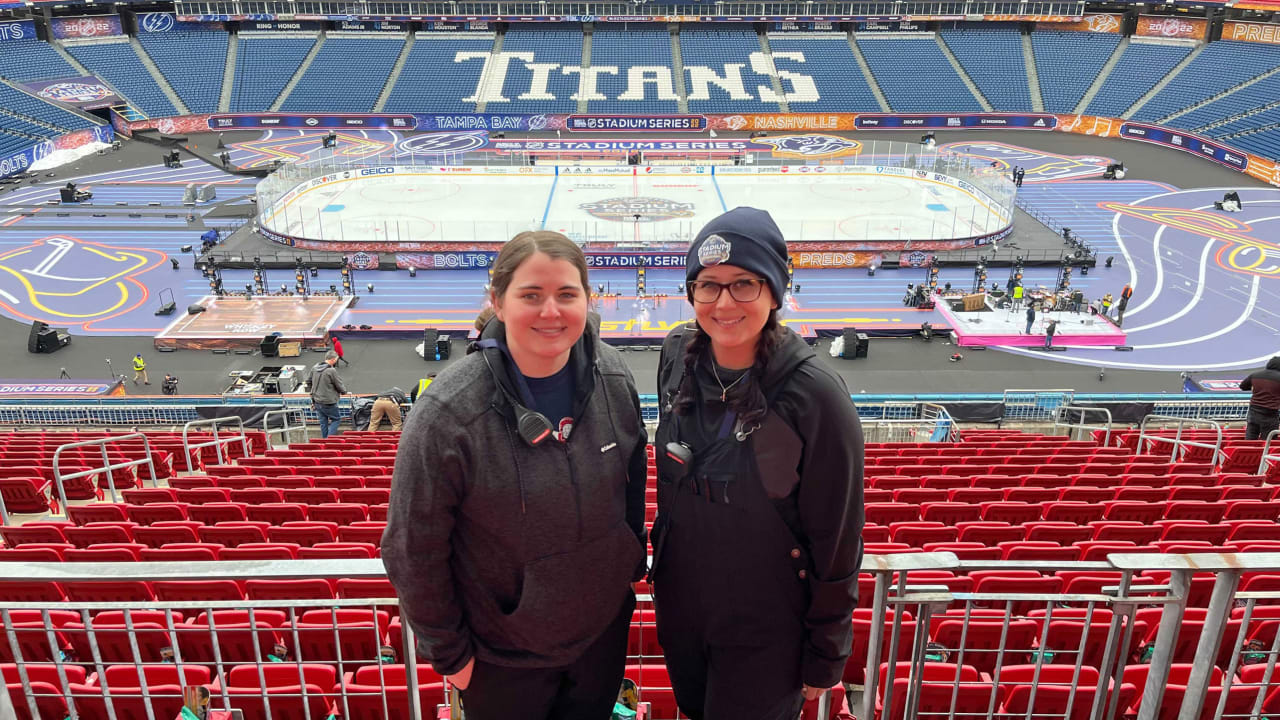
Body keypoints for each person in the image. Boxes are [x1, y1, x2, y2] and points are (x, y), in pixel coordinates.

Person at [382, 231, 648, 720]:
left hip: (599, 643)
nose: (551, 311)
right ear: (498, 303)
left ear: (588, 301)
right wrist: (452, 656)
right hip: (500, 660)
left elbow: (631, 475)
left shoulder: (613, 375)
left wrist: (626, 566)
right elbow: (411, 545)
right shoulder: (447, 411)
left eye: (567, 294)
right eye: (531, 295)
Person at [652, 207, 864, 719]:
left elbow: (837, 538)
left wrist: (826, 652)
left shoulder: (814, 397)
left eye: (743, 283)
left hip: (767, 627)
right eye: (708, 285)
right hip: (683, 610)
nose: (723, 302)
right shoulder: (677, 355)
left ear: (775, 291)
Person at [1240, 357, 1280, 440]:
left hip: (1253, 411)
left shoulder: (1255, 374)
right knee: (1269, 441)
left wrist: (1255, 389)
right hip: (1270, 413)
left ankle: (1248, 453)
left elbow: (1243, 386)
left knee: (1250, 438)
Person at [309, 350, 346, 438]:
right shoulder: (331, 371)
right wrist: (344, 391)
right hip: (328, 402)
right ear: (333, 359)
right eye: (336, 359)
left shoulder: (314, 368)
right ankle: (328, 441)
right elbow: (339, 384)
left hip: (317, 401)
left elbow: (308, 381)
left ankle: (324, 441)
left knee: (323, 423)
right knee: (336, 419)